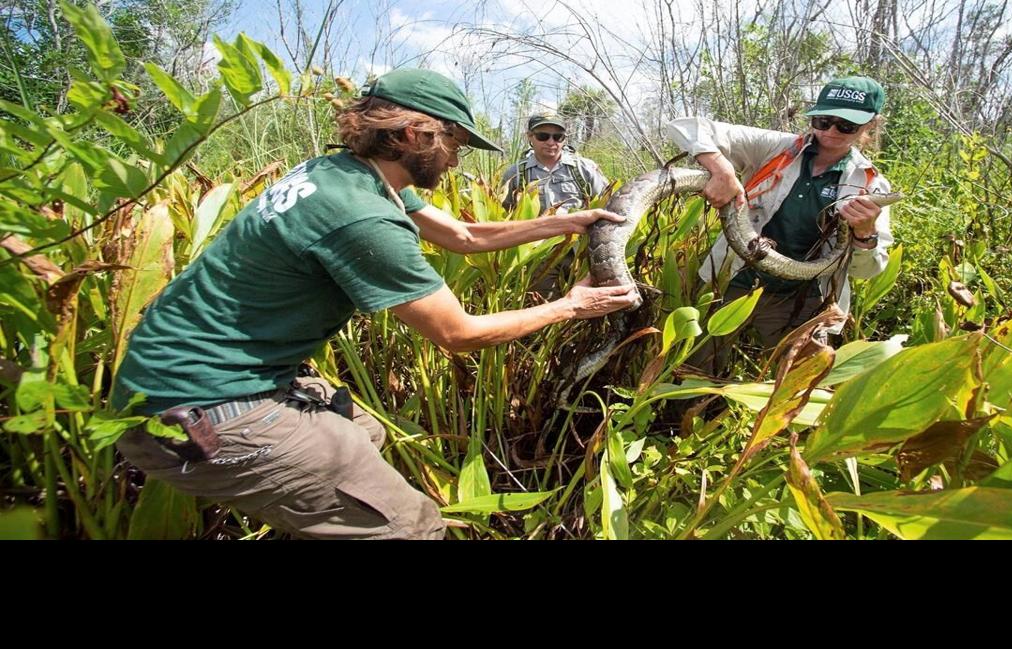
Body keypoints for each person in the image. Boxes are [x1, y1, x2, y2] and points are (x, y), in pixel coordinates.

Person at [111, 68, 639, 539]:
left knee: (366, 432)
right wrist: (571, 306)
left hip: (183, 380)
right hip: (206, 409)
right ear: (414, 134)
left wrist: (567, 221)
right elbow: (459, 334)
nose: (458, 158)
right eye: (455, 142)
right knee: (415, 527)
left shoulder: (342, 173)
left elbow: (465, 236)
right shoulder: (362, 215)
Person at [663, 76, 895, 372]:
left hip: (802, 299)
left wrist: (865, 233)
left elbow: (867, 271)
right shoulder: (775, 148)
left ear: (870, 126)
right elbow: (686, 125)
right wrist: (721, 169)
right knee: (696, 367)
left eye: (846, 126)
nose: (831, 131)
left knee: (805, 383)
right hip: (732, 282)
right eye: (823, 121)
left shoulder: (870, 184)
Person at [501, 114, 610, 213]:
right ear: (530, 136)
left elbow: (608, 204)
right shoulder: (515, 174)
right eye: (543, 136)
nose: (551, 142)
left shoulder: (584, 169)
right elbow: (504, 212)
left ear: (564, 139)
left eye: (558, 137)